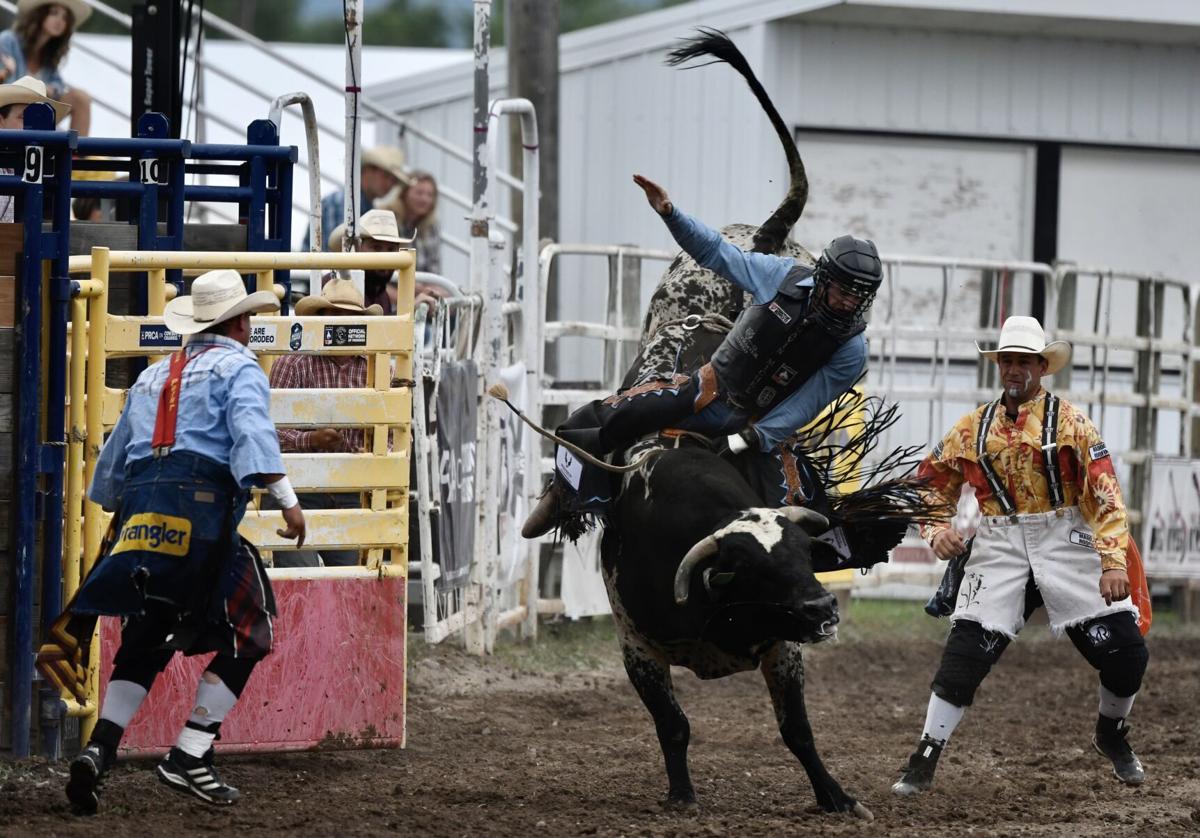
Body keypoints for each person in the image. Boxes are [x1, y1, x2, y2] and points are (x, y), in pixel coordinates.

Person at [36, 269, 306, 813]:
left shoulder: (152, 376)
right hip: (201, 518)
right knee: (251, 629)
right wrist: (287, 501)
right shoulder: (239, 367)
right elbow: (251, 434)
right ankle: (191, 751)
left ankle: (99, 749)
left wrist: (139, 512)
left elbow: (109, 479)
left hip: (140, 520)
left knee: (149, 630)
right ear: (240, 322)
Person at [521, 172, 881, 538]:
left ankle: (810, 566)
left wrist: (752, 438)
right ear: (823, 279)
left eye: (859, 297)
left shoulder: (851, 350)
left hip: (761, 425)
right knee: (592, 422)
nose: (849, 303)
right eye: (843, 292)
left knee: (811, 517)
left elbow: (805, 404)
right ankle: (563, 495)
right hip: (703, 394)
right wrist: (670, 213)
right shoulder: (781, 277)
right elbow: (717, 252)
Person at [891, 316, 1149, 795]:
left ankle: (1111, 732)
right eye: (1007, 360)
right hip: (1000, 543)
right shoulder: (971, 429)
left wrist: (1113, 561)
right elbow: (929, 484)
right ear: (999, 365)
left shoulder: (1073, 424)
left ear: (1041, 367)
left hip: (1066, 538)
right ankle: (924, 755)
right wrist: (935, 528)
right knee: (964, 656)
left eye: (1023, 361)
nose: (1013, 369)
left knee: (1127, 654)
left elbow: (1106, 494)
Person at [269, 277, 382, 567]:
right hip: (299, 488)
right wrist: (311, 440)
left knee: (347, 579)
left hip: (349, 489)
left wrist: (367, 454)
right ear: (321, 319)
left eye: (349, 318)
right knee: (304, 575)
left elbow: (390, 435)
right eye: (335, 316)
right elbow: (269, 434)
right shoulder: (293, 363)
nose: (342, 325)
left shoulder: (376, 368)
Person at [0, 0, 91, 135]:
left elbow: (58, 84)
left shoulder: (49, 53)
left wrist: (50, 90)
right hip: (9, 109)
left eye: (65, 17)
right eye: (54, 13)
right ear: (39, 14)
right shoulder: (8, 40)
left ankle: (78, 148)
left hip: (37, 108)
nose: (60, 21)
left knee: (81, 98)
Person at [302, 145, 406, 251]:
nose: (390, 184)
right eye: (386, 176)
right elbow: (337, 252)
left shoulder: (357, 204)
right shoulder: (341, 203)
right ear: (367, 171)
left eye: (394, 181)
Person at [0, 74, 70, 222]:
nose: (33, 125)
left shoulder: (54, 167)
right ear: (1, 121)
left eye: (40, 119)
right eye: (23, 117)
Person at [326, 207, 404, 314]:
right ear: (357, 248)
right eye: (376, 247)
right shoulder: (334, 286)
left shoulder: (382, 295)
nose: (385, 257)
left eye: (391, 249)